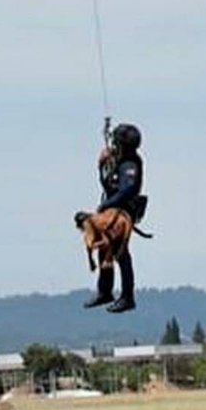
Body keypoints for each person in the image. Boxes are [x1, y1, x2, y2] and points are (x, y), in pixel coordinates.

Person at [84, 121, 144, 313]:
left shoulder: (130, 163)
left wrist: (107, 205)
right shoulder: (117, 161)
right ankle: (105, 291)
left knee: (120, 253)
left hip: (121, 214)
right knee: (105, 249)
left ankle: (127, 297)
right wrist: (101, 164)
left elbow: (128, 189)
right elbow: (107, 182)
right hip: (110, 212)